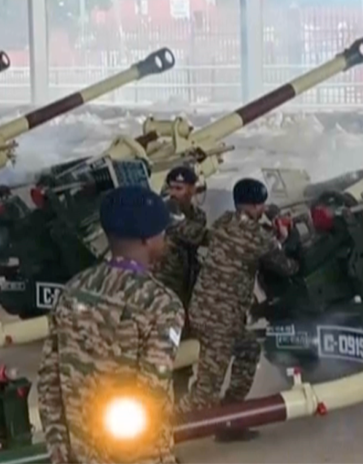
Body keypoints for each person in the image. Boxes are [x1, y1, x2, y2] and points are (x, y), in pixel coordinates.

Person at [36, 185, 182, 464]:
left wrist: (58, 447)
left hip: (79, 452)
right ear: (147, 239)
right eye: (163, 232)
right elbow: (151, 394)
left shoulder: (74, 289)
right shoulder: (161, 304)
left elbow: (48, 378)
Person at [178, 178, 300, 439]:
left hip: (204, 310)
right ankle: (158, 431)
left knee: (248, 349)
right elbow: (288, 267)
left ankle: (230, 418)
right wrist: (287, 239)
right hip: (219, 321)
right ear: (256, 205)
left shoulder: (224, 221)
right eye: (261, 205)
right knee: (205, 393)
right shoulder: (257, 237)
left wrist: (271, 234)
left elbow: (242, 242)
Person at [151, 166, 208, 308]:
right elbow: (193, 234)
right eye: (171, 188)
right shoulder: (164, 211)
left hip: (186, 280)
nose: (173, 193)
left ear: (192, 190)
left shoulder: (199, 215)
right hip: (164, 281)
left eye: (179, 188)